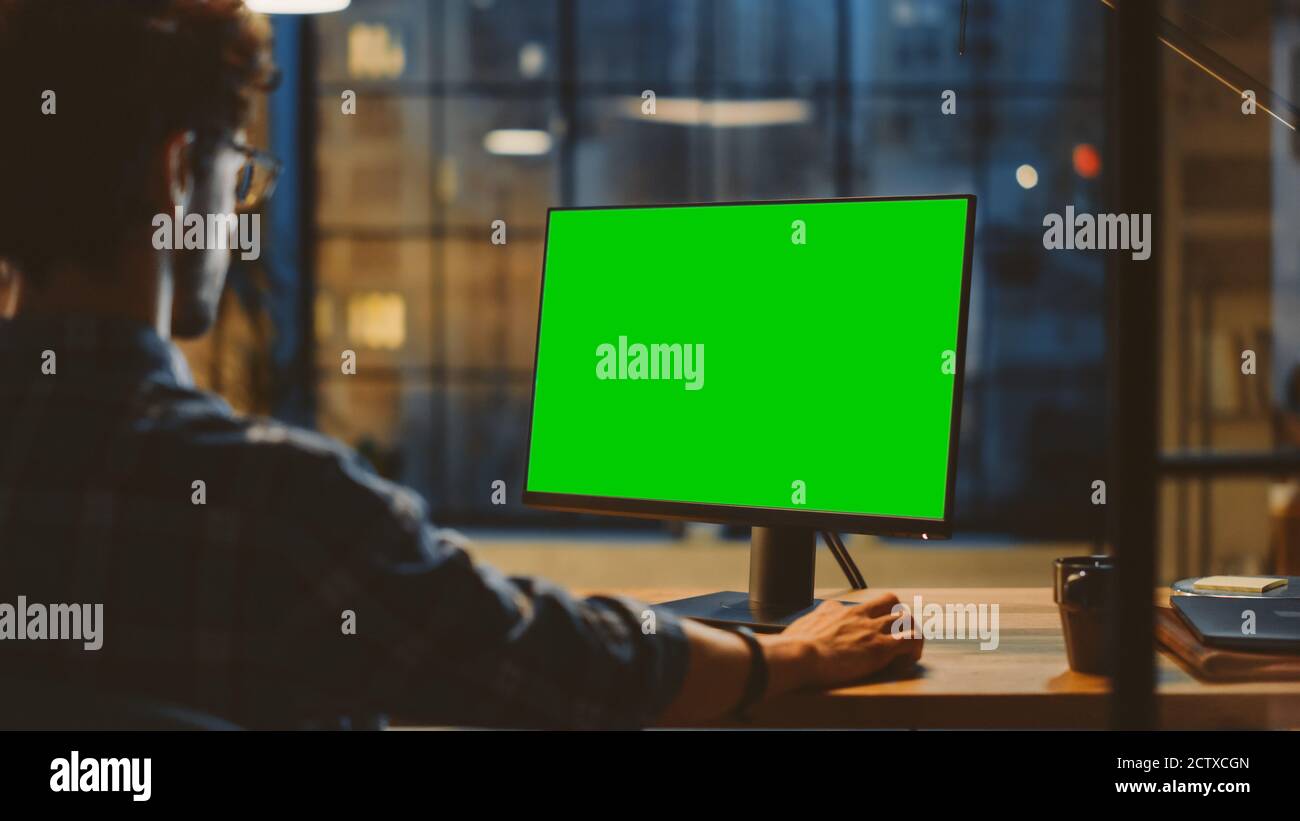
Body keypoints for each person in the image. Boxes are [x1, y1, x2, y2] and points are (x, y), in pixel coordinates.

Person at [0, 0, 921, 729]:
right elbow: (548, 660)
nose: (241, 212)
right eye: (239, 174)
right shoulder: (274, 506)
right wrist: (793, 658)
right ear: (175, 176)